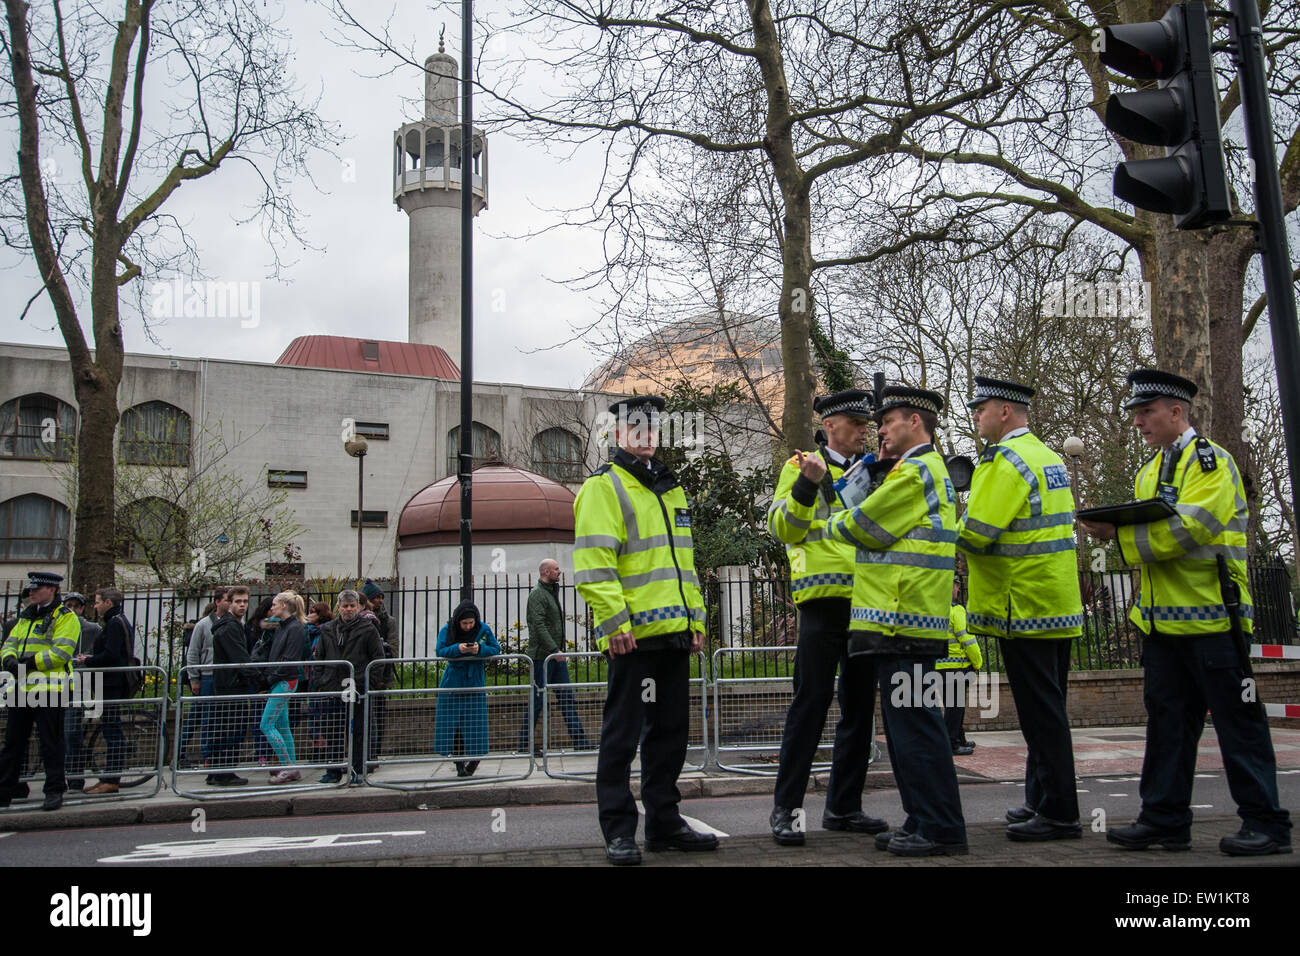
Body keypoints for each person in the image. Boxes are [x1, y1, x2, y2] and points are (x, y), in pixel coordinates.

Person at [1080, 369, 1292, 856]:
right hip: (1162, 626)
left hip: (1214, 621)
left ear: (1177, 413)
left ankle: (1267, 825)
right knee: (1168, 727)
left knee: (1240, 725)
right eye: (1135, 413)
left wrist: (1117, 535)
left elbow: (1190, 531)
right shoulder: (1149, 470)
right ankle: (1163, 821)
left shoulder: (1211, 462)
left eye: (1146, 412)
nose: (1137, 422)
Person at [574, 394, 716, 866]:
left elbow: (685, 565)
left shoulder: (672, 489)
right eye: (636, 428)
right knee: (622, 735)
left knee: (670, 733)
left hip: (674, 633)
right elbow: (595, 563)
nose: (646, 435)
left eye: (652, 428)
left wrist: (696, 620)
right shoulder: (604, 488)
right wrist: (614, 621)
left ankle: (664, 823)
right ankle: (618, 830)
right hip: (631, 637)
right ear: (616, 434)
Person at [826, 385, 967, 856]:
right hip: (903, 620)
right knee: (908, 729)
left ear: (914, 422)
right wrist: (866, 471)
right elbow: (866, 515)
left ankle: (941, 827)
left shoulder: (917, 474)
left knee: (917, 729)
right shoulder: (914, 470)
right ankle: (920, 818)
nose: (879, 431)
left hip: (903, 620)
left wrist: (824, 526)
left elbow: (858, 525)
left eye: (887, 422)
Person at [957, 375, 1083, 841]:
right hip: (1056, 602)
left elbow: (976, 533)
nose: (975, 415)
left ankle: (1059, 813)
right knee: (1048, 708)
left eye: (980, 408)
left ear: (1005, 411)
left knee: (1040, 715)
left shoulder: (1005, 462)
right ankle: (1040, 799)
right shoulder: (1048, 457)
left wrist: (941, 517)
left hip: (1023, 605)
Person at [767, 388, 886, 846]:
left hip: (865, 602)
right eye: (857, 424)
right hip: (821, 602)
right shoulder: (798, 467)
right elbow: (782, 528)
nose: (865, 430)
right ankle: (786, 812)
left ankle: (844, 807)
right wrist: (805, 484)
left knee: (859, 710)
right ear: (831, 425)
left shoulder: (872, 471)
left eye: (867, 423)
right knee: (810, 707)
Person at [0, 571, 79, 811]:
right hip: (21, 689)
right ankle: (5, 791)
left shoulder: (66, 617)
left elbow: (61, 653)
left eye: (37, 588)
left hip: (50, 689)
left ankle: (54, 791)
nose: (31, 592)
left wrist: (26, 663)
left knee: (51, 743)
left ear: (52, 590)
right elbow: (8, 645)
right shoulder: (26, 618)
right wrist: (9, 661)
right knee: (13, 743)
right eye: (31, 589)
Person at [519, 559, 591, 753]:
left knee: (567, 698)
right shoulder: (538, 595)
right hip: (543, 657)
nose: (560, 572)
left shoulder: (550, 592)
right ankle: (525, 744)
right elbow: (538, 625)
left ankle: (580, 741)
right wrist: (554, 649)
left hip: (554, 656)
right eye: (556, 569)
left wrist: (557, 650)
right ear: (546, 572)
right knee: (537, 699)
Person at [313, 591, 385, 783]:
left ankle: (357, 770)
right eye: (345, 606)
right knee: (332, 729)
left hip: (356, 685)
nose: (348, 609)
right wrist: (320, 680)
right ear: (339, 607)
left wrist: (368, 683)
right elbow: (319, 656)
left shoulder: (368, 629)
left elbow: (378, 659)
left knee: (358, 731)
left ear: (358, 607)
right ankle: (333, 770)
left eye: (352, 606)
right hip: (333, 685)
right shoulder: (328, 629)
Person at [76, 588, 134, 795]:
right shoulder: (116, 621)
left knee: (113, 732)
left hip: (111, 684)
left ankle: (111, 781)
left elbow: (111, 655)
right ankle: (108, 779)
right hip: (109, 683)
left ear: (108, 602)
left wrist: (88, 660)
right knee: (110, 730)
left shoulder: (116, 623)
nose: (95, 605)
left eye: (98, 601)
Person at [434, 600, 500, 777]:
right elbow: (440, 650)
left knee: (475, 725)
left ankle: (475, 761)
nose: (468, 627)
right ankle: (459, 764)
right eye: (464, 623)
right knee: (454, 727)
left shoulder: (483, 629)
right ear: (458, 621)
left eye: (471, 623)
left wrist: (480, 649)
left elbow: (495, 648)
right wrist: (458, 649)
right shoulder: (448, 629)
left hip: (475, 683)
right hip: (453, 683)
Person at [261, 592, 308, 784]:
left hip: (284, 680)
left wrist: (270, 677)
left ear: (283, 606)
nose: (271, 608)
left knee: (266, 724)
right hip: (280, 680)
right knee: (282, 725)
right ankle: (292, 766)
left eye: (274, 604)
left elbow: (290, 659)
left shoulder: (295, 628)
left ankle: (288, 765)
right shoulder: (282, 627)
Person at [209, 586, 253, 786]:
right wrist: (259, 678)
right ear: (228, 603)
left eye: (245, 601)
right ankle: (225, 772)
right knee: (233, 729)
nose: (242, 605)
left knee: (223, 728)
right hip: (232, 685)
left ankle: (218, 771)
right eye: (238, 601)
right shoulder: (230, 628)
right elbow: (240, 659)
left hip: (228, 683)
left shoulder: (232, 625)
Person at [183, 588, 230, 769]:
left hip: (222, 677)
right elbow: (193, 653)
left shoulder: (233, 623)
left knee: (210, 718)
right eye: (227, 600)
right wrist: (194, 678)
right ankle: (205, 756)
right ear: (217, 602)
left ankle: (209, 754)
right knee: (204, 719)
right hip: (207, 677)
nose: (231, 603)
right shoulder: (203, 625)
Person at [60, 591, 102, 793]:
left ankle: (76, 780)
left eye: (77, 606)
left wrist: (87, 660)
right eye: (69, 605)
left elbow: (100, 653)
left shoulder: (92, 629)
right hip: (59, 684)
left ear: (82, 608)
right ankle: (60, 776)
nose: (73, 610)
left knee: (72, 733)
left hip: (80, 684)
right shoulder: (58, 627)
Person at [938, 577, 982, 756]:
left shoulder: (937, 610)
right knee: (955, 707)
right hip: (957, 665)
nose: (957, 590)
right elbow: (967, 639)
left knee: (952, 706)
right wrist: (978, 662)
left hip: (939, 666)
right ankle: (952, 743)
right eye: (956, 586)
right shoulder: (957, 610)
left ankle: (959, 737)